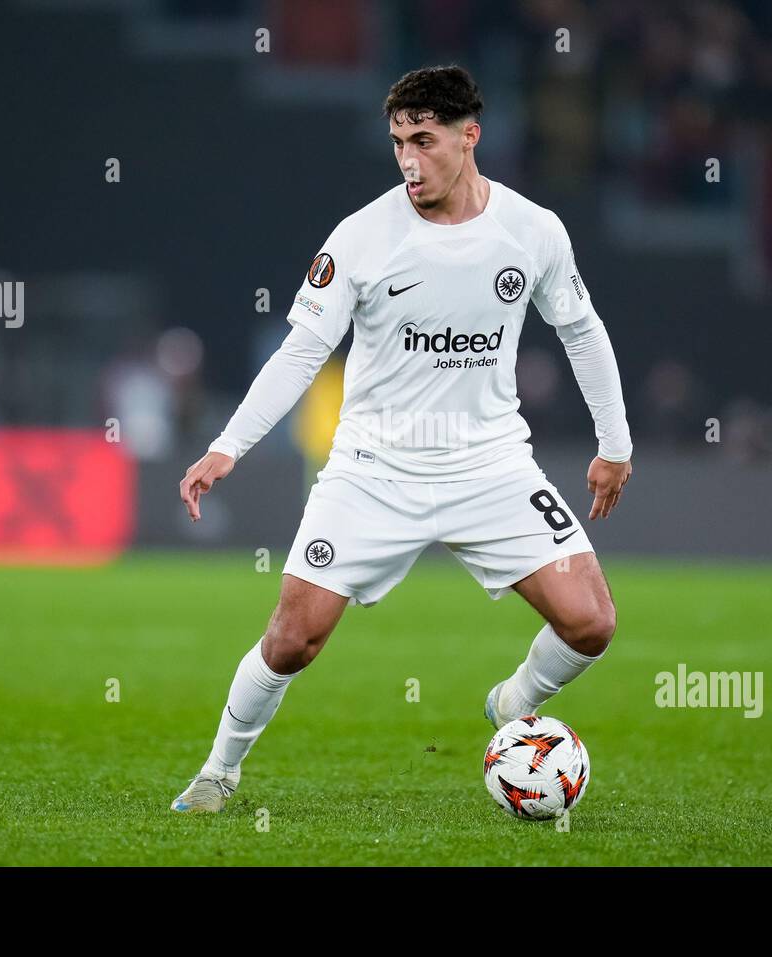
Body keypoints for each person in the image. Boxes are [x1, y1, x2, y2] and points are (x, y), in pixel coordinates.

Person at [172, 65, 633, 813]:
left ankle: (512, 702)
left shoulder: (532, 230)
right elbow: (300, 352)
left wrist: (614, 443)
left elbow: (582, 329)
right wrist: (229, 444)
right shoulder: (361, 238)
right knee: (293, 639)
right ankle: (218, 771)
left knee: (591, 622)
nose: (409, 160)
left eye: (424, 139)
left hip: (490, 465)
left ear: (469, 136)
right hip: (372, 469)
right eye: (397, 143)